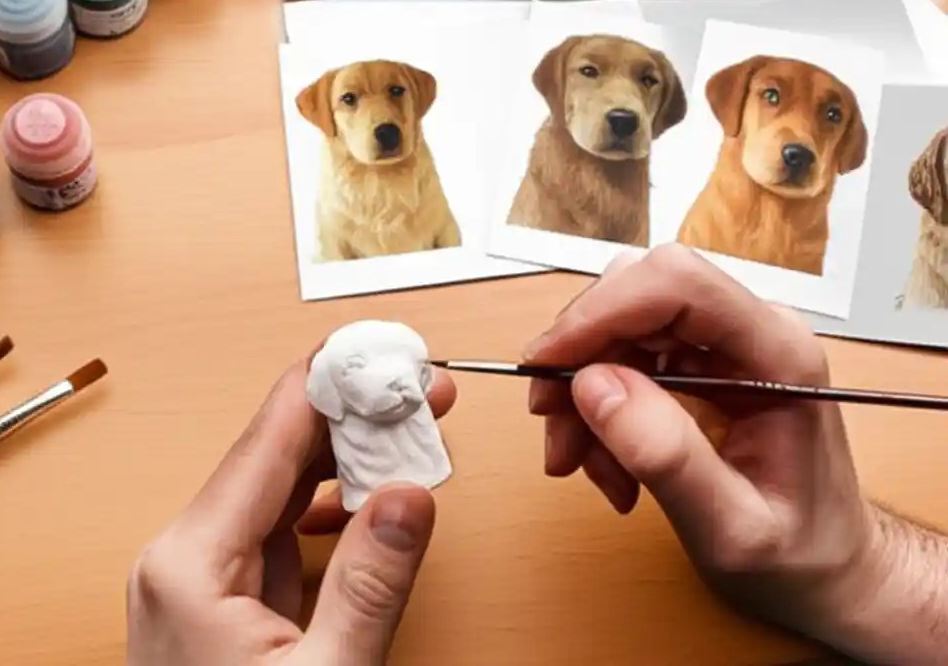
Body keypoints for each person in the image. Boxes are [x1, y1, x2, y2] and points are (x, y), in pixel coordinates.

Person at [125, 244, 948, 665]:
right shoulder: (350, 408)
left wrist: (861, 575)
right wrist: (867, 573)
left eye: (402, 370)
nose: (396, 384)